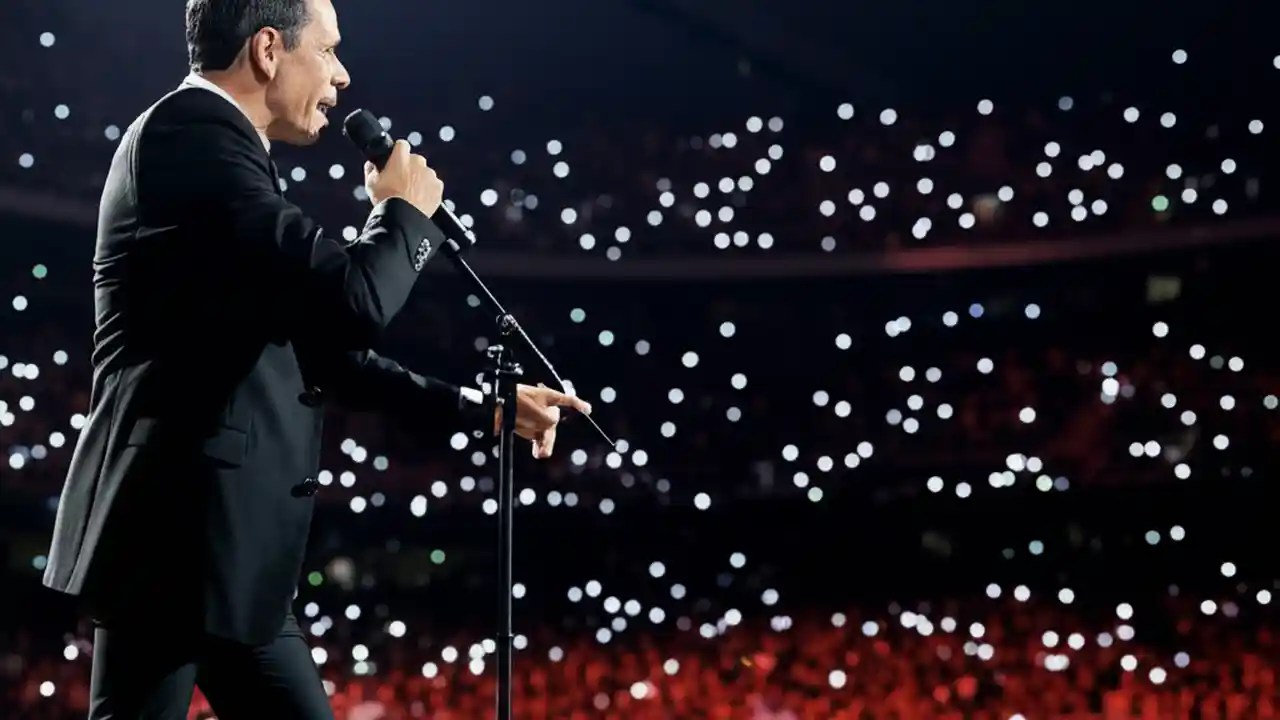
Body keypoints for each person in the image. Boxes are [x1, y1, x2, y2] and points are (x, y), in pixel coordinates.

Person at [40, 0, 592, 717]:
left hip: (216, 552)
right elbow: (354, 302)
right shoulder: (191, 139)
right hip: (177, 544)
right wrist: (402, 213)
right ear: (269, 49)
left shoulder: (221, 157)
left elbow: (319, 350)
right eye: (328, 51)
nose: (342, 75)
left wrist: (478, 406)